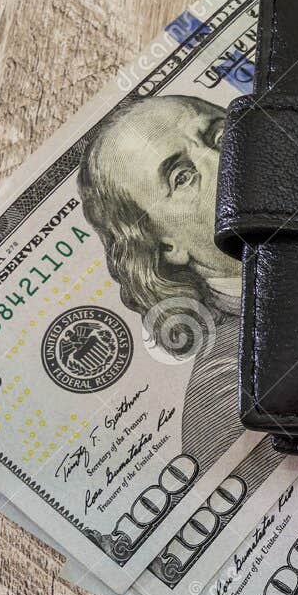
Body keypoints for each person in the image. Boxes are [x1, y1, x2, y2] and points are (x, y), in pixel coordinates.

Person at [78, 93, 243, 471]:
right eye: (182, 177)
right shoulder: (227, 392)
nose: (224, 160)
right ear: (166, 244)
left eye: (218, 136)